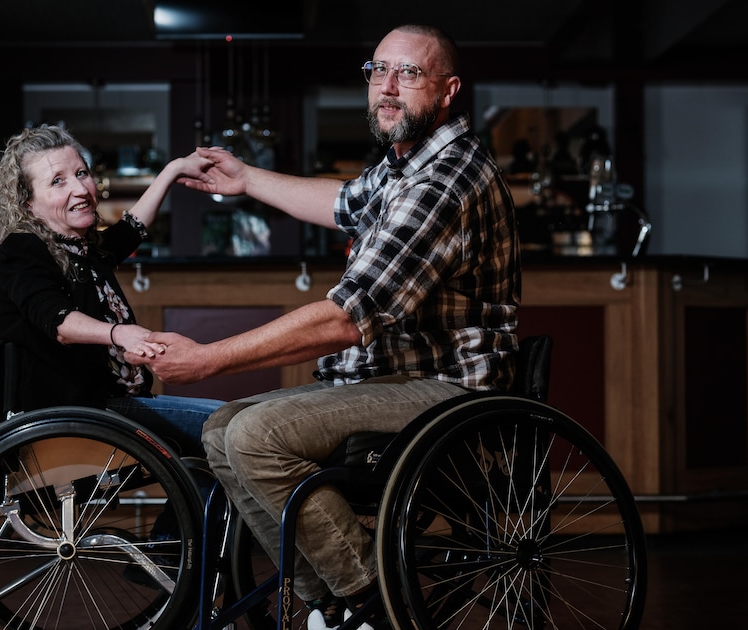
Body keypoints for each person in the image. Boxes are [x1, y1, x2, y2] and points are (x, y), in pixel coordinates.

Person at [131, 24, 521, 630]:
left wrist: (208, 359)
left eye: (408, 74)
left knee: (256, 435)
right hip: (394, 383)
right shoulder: (404, 167)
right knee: (221, 430)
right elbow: (341, 201)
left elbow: (346, 318)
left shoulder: (446, 180)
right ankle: (330, 604)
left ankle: (374, 599)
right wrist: (246, 180)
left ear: (448, 91)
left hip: (450, 394)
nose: (387, 87)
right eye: (378, 71)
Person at [0, 123, 224, 458]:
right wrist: (120, 333)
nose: (80, 188)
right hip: (81, 413)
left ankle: (190, 513)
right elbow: (59, 322)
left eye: (81, 173)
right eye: (58, 181)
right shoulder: (23, 251)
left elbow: (133, 228)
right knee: (227, 428)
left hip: (111, 406)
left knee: (222, 431)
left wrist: (174, 170)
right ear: (27, 204)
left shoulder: (80, 248)